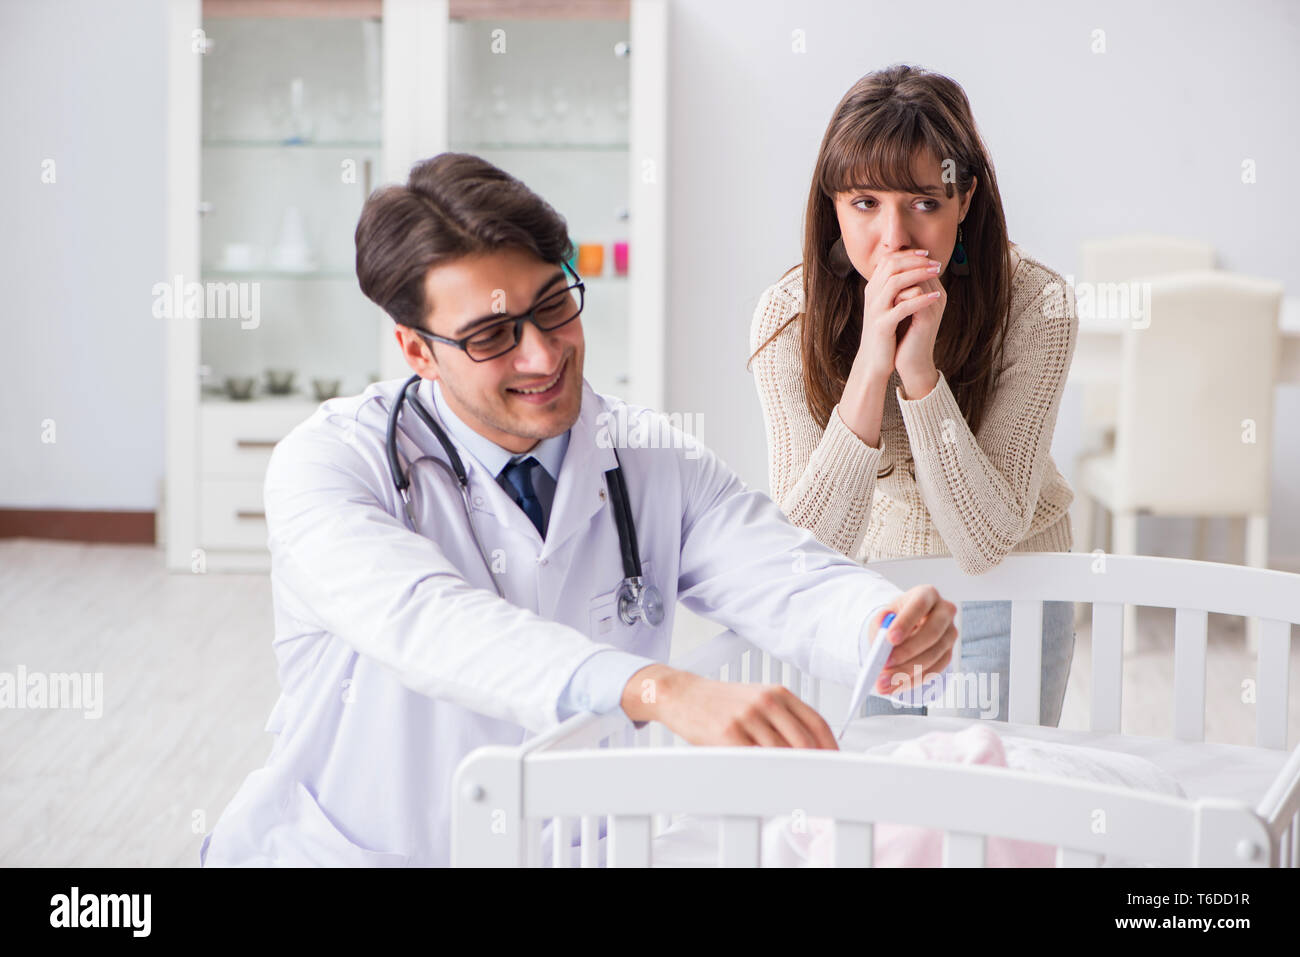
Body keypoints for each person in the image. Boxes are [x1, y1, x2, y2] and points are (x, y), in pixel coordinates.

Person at [200, 152, 958, 867]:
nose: (543, 353)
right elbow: (428, 619)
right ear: (418, 350)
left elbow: (781, 569)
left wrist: (876, 621)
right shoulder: (333, 464)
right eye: (493, 334)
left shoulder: (647, 455)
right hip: (358, 851)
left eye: (554, 304)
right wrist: (658, 688)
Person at [748, 64, 1077, 727]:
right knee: (878, 814)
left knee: (983, 809)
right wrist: (872, 368)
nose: (894, 237)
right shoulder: (787, 317)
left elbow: (985, 543)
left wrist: (921, 376)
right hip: (868, 597)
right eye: (865, 204)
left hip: (1008, 590)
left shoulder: (1040, 303)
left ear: (966, 200)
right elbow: (806, 549)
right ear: (832, 207)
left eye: (925, 202)